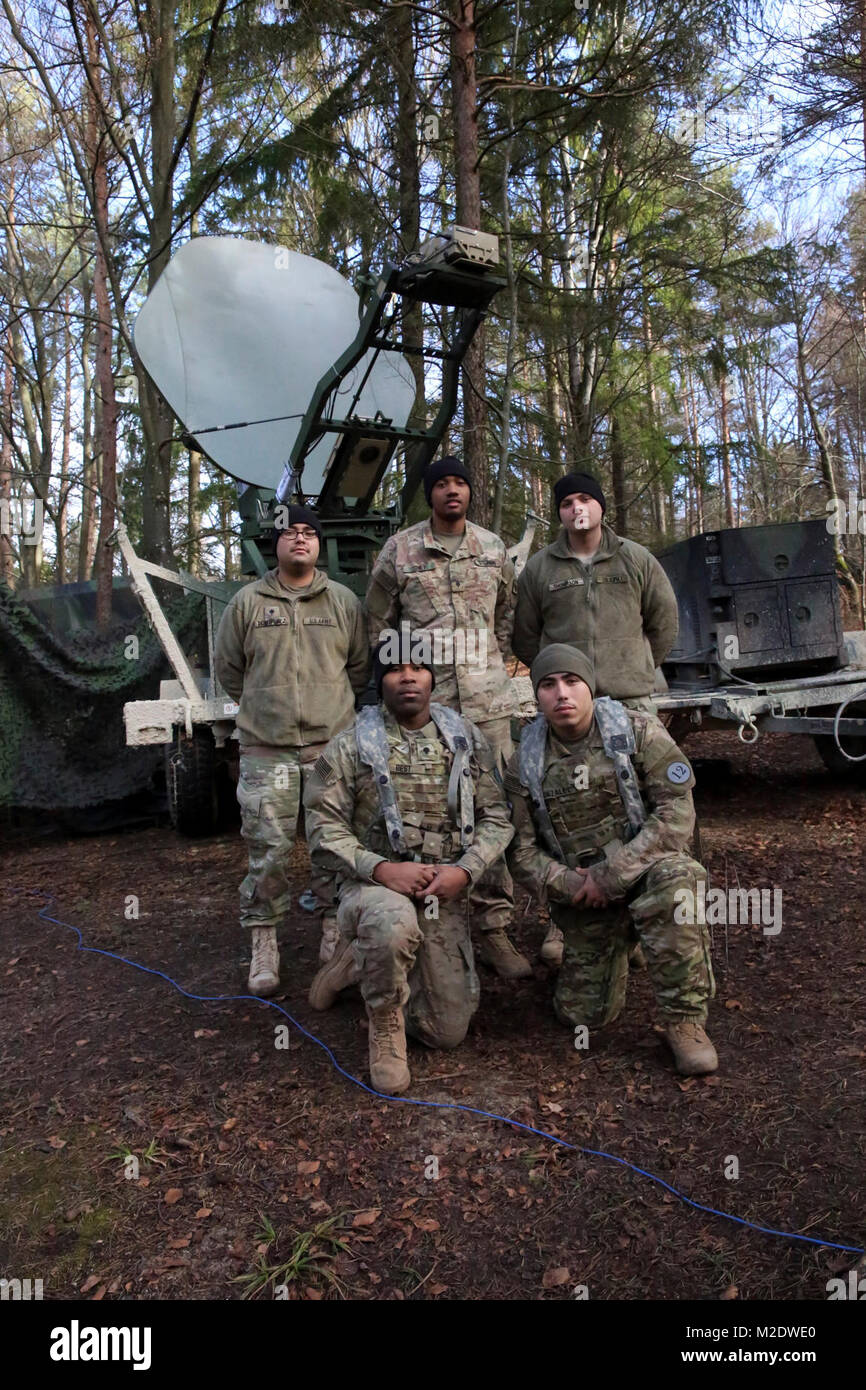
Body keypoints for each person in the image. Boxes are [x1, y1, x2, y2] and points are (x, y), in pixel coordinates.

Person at [303, 639, 514, 1093]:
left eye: (418, 666)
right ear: (380, 682)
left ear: (433, 678)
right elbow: (322, 829)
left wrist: (466, 870)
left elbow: (498, 816)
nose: (408, 676)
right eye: (395, 669)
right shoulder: (351, 744)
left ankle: (355, 963)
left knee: (445, 1033)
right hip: (375, 887)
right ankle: (384, 1023)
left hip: (443, 889)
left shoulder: (465, 739)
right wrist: (380, 869)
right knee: (391, 923)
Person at [505, 644, 717, 1076]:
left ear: (590, 687)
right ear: (537, 695)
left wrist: (610, 876)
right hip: (583, 896)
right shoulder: (523, 762)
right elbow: (520, 850)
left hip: (644, 873)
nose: (562, 693)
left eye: (572, 681)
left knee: (680, 882)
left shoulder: (637, 731)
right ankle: (626, 940)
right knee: (582, 1017)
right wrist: (571, 884)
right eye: (548, 685)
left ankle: (685, 1022)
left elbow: (676, 814)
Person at [365, 455, 531, 980]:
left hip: (487, 710)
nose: (452, 492)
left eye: (460, 482)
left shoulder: (492, 548)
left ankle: (494, 927)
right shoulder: (400, 550)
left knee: (494, 810)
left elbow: (507, 615)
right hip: (427, 709)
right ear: (429, 495)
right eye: (441, 485)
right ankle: (431, 919)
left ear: (468, 492)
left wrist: (490, 664)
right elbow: (378, 623)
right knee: (429, 810)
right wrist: (401, 679)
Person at [512, 471, 680, 966]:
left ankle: (652, 913)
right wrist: (560, 677)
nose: (577, 508)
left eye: (586, 499)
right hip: (567, 709)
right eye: (567, 502)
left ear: (602, 507)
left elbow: (663, 620)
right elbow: (526, 635)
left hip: (628, 699)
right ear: (559, 512)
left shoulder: (634, 558)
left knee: (650, 804)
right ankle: (567, 920)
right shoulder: (542, 568)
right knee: (560, 810)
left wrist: (637, 670)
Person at [214, 504, 369, 996]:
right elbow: (229, 669)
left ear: (319, 545)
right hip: (268, 751)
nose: (299, 539)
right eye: (290, 533)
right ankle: (264, 942)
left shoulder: (342, 601)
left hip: (330, 748)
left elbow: (360, 668)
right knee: (268, 851)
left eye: (309, 533)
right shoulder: (247, 603)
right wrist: (266, 710)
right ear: (274, 545)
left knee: (333, 846)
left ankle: (332, 930)